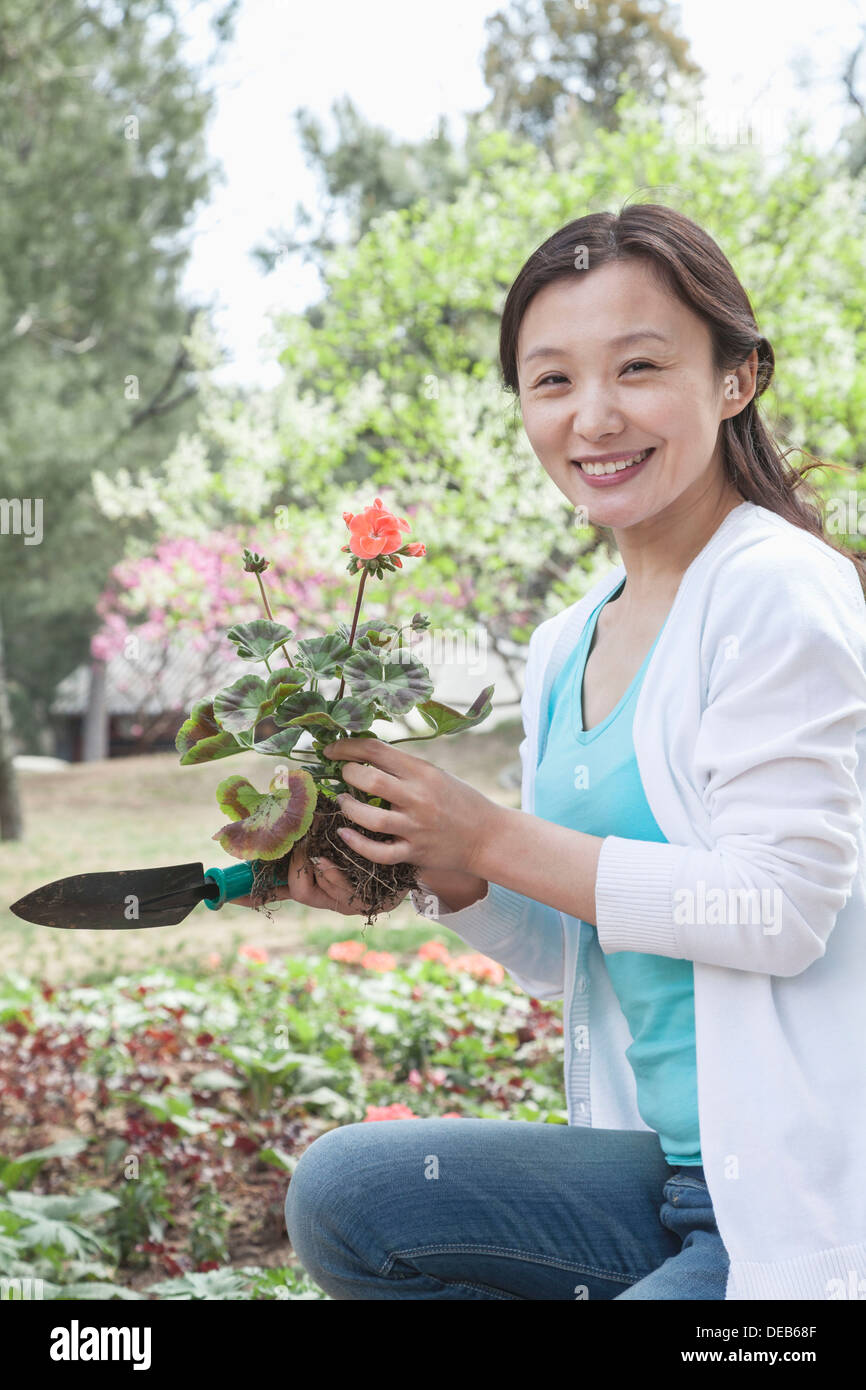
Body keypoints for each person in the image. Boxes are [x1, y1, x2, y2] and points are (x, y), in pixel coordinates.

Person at [240, 204, 866, 1301]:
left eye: (636, 367)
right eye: (551, 380)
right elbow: (576, 951)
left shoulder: (777, 588)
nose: (593, 417)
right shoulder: (562, 640)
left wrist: (488, 828)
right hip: (665, 1182)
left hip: (797, 1201)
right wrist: (446, 867)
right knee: (347, 1193)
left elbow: (780, 907)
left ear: (736, 378)